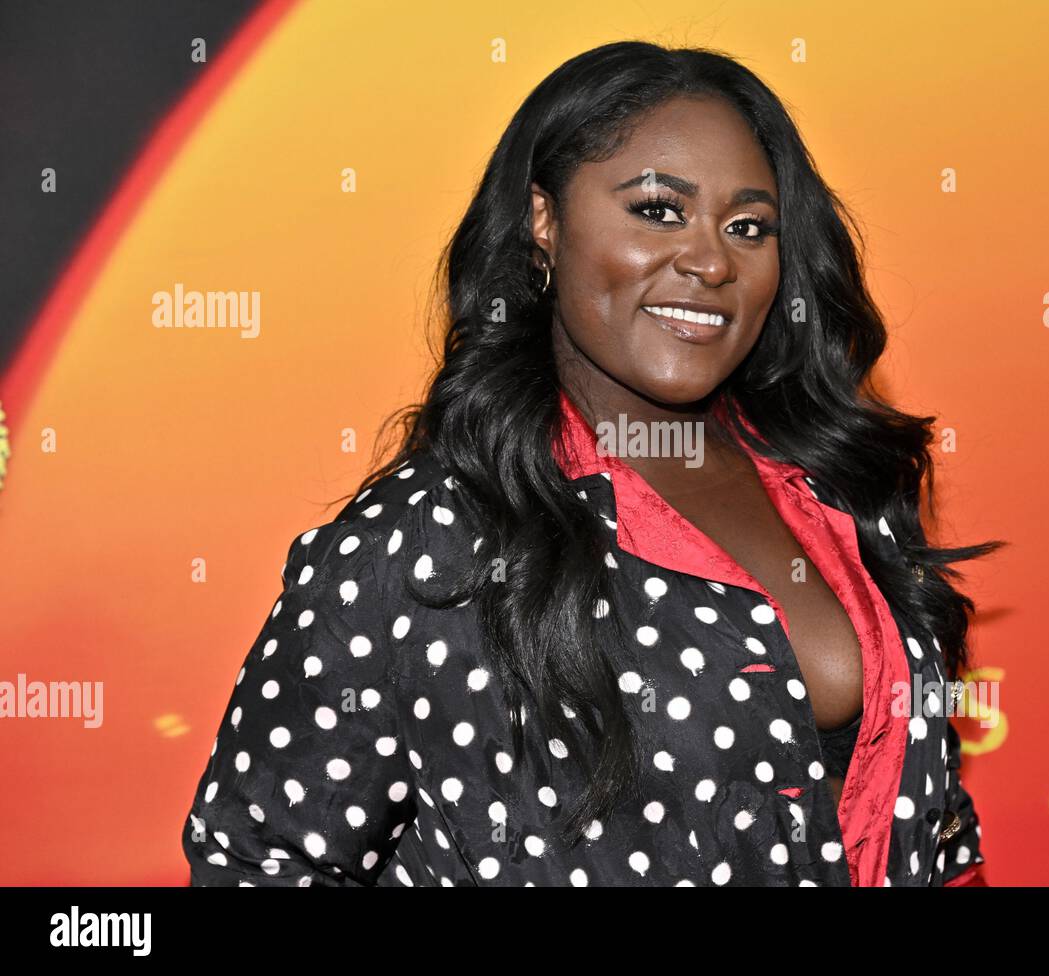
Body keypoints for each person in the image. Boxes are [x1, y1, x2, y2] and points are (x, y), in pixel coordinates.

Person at [181, 40, 1004, 886]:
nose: (712, 260)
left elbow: (930, 827)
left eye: (748, 226)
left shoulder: (834, 486)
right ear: (545, 222)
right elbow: (258, 859)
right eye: (658, 210)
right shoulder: (430, 536)